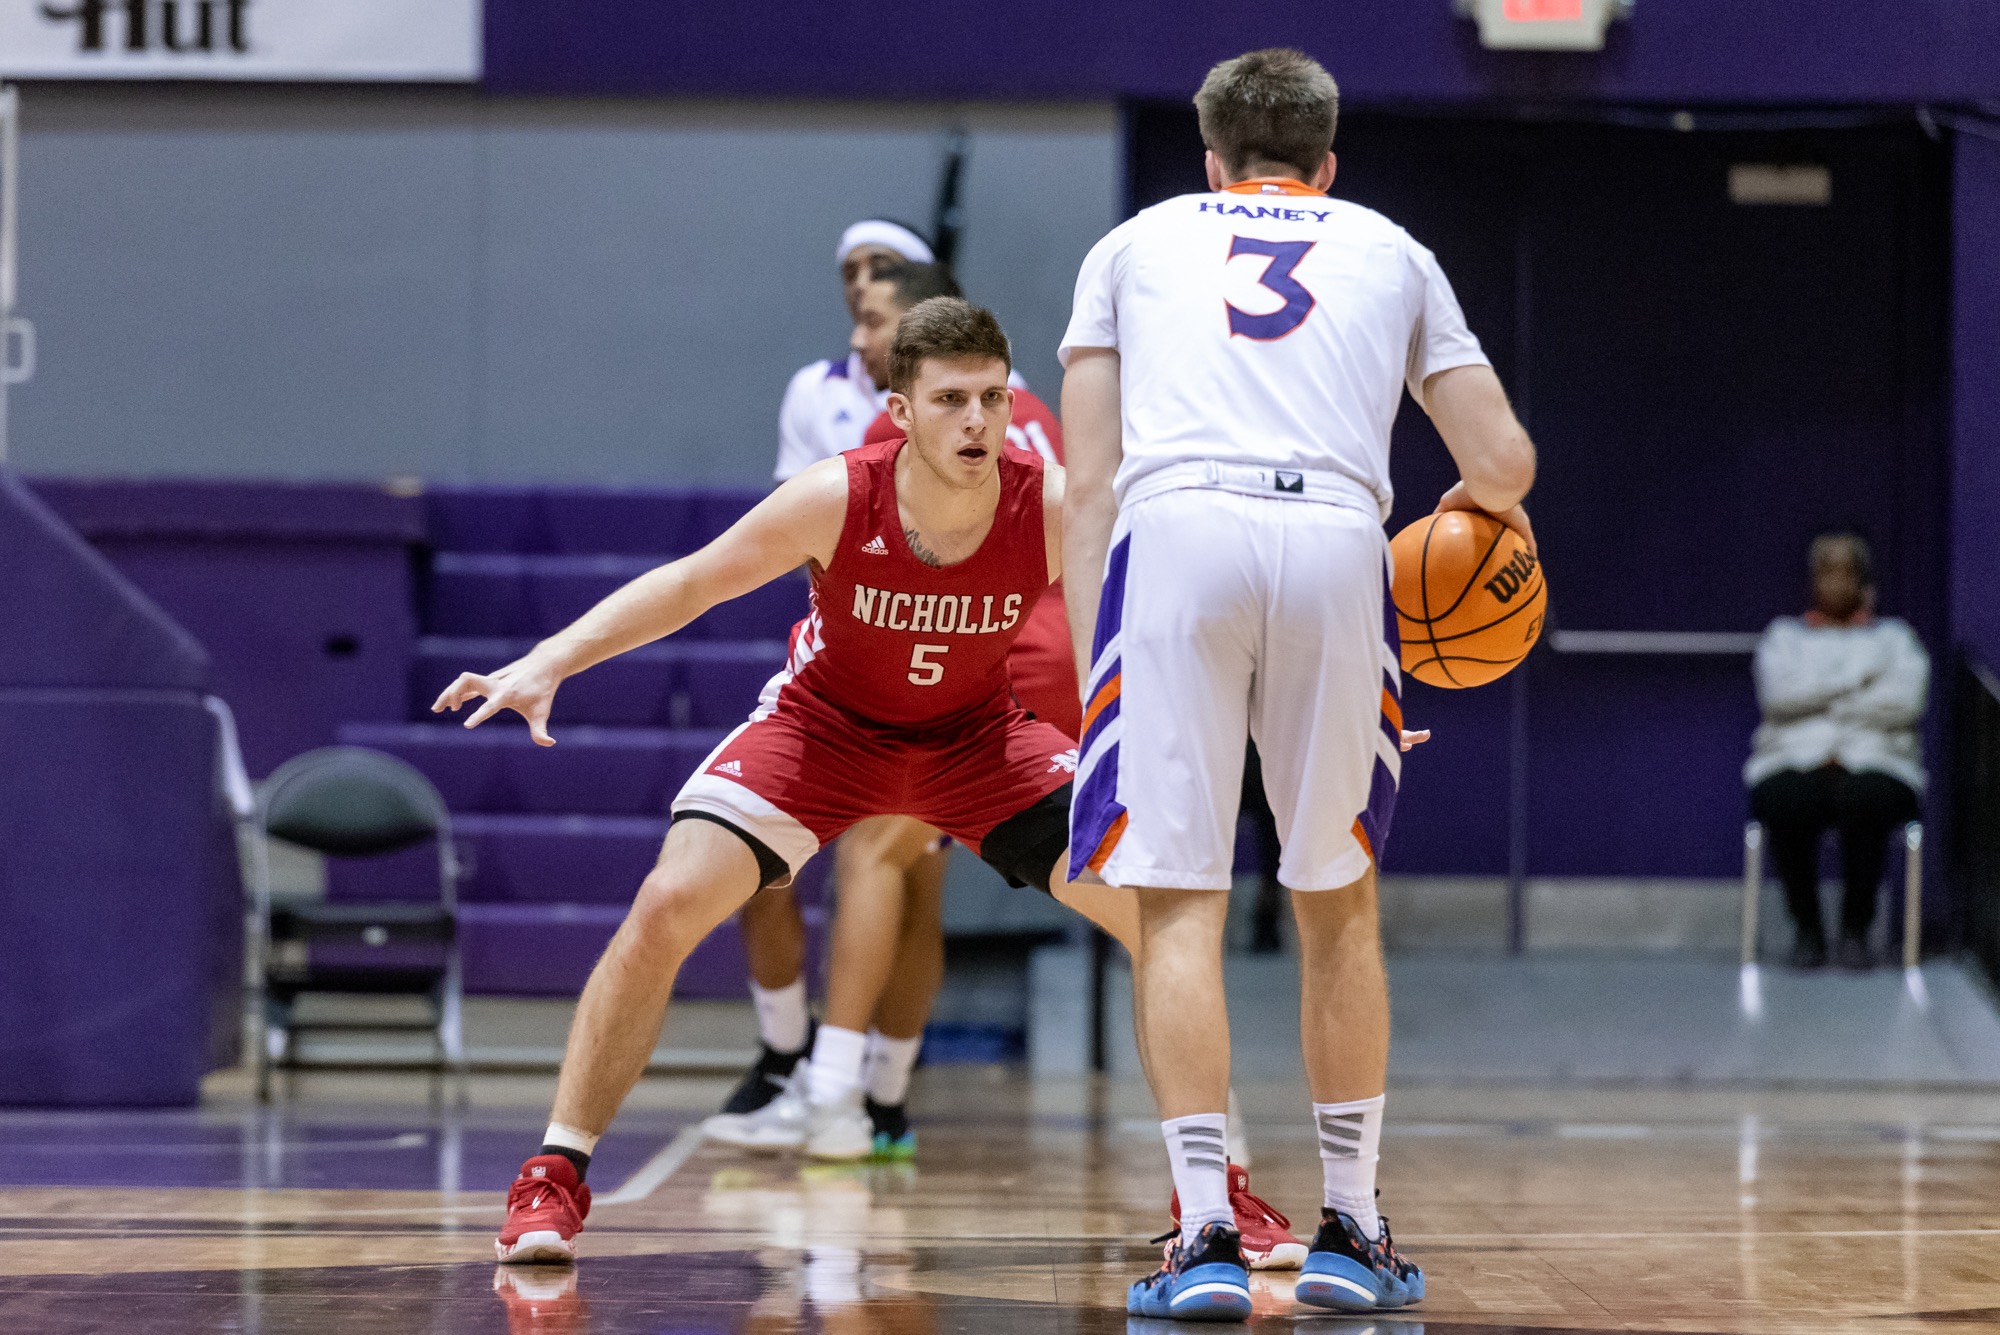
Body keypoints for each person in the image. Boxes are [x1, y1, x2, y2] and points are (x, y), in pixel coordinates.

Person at [445, 297, 1141, 1265]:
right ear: (898, 411)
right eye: (949, 401)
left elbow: (1179, 586)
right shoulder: (834, 495)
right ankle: (555, 1173)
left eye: (990, 396)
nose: (977, 421)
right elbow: (692, 582)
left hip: (978, 742)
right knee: (667, 902)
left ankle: (1218, 1194)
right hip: (824, 732)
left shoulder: (1052, 503)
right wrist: (548, 661)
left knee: (1163, 914)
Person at [1059, 48, 1534, 1320]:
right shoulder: (1389, 245)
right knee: (1334, 896)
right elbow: (1501, 460)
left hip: (1176, 536)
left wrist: (1080, 653)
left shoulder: (1133, 244)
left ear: (1207, 161)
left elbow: (1089, 481)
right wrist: (1468, 514)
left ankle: (1206, 1235)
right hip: (1337, 539)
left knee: (1176, 905)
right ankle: (1351, 1230)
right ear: (1326, 165)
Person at [706, 262, 1073, 1162]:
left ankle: (827, 1092)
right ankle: (888, 1099)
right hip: (1053, 651)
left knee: (874, 848)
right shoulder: (1030, 415)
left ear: (918, 336)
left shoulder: (907, 431)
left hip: (988, 660)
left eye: (873, 324)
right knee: (915, 874)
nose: (859, 342)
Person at [714, 219, 940, 1146]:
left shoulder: (974, 400)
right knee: (755, 855)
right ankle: (784, 1050)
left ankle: (880, 1094)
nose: (859, 287)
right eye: (848, 272)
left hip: (935, 667)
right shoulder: (816, 392)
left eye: (881, 271)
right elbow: (792, 526)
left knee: (905, 881)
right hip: (837, 661)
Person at [1747, 531, 1928, 970]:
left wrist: (1819, 700)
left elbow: (1905, 704)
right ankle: (1807, 931)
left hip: (1877, 760)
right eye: (1826, 572)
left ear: (1864, 581)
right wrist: (1857, 687)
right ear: (1812, 581)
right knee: (1786, 799)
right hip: (1793, 757)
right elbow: (1777, 699)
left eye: (1846, 572)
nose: (1835, 582)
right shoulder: (1783, 637)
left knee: (1867, 798)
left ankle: (1856, 932)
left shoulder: (1896, 640)